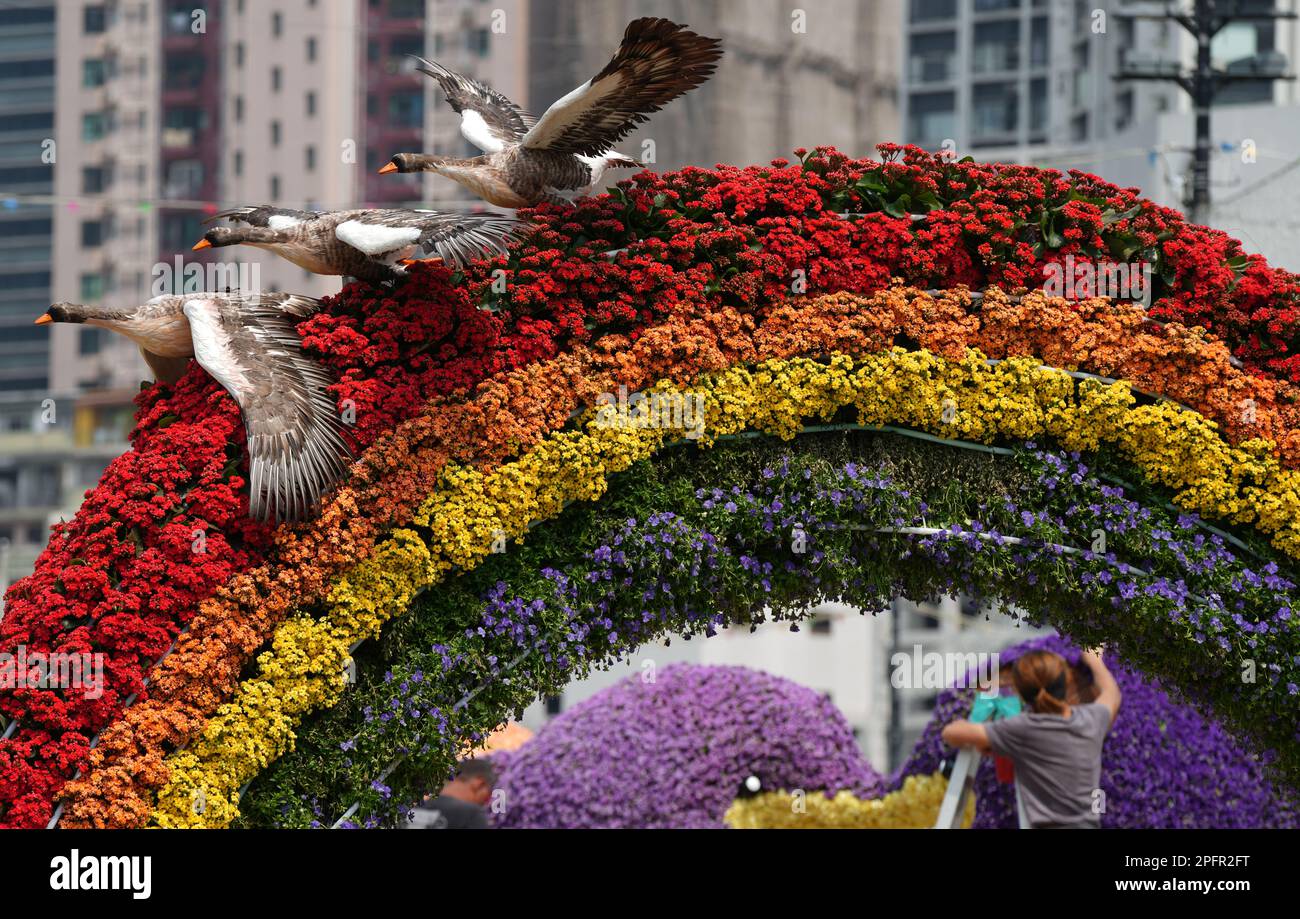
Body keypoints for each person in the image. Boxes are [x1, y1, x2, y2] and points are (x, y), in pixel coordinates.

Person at [940, 647, 1121, 829]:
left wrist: (985, 741)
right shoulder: (1091, 720)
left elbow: (952, 733)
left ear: (1019, 692)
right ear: (1066, 680)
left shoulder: (1021, 729)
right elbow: (1111, 693)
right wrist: (1094, 660)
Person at [406, 757, 496, 829]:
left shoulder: (413, 811)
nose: (485, 802)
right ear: (479, 783)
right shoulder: (471, 815)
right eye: (488, 794)